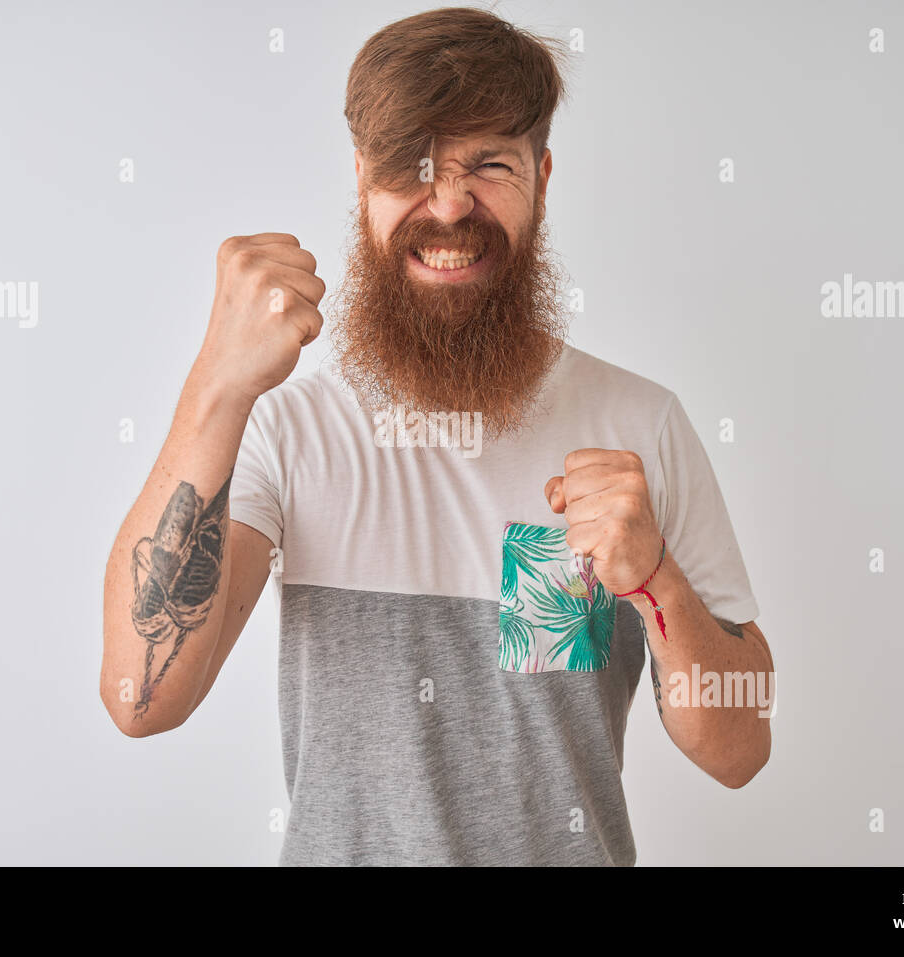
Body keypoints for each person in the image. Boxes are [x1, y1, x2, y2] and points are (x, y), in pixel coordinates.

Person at [100, 6, 774, 866]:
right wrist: (214, 386)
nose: (450, 205)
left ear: (544, 175)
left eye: (490, 163)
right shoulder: (285, 427)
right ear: (361, 181)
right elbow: (139, 698)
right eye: (413, 167)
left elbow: (742, 750)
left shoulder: (641, 425)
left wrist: (658, 586)